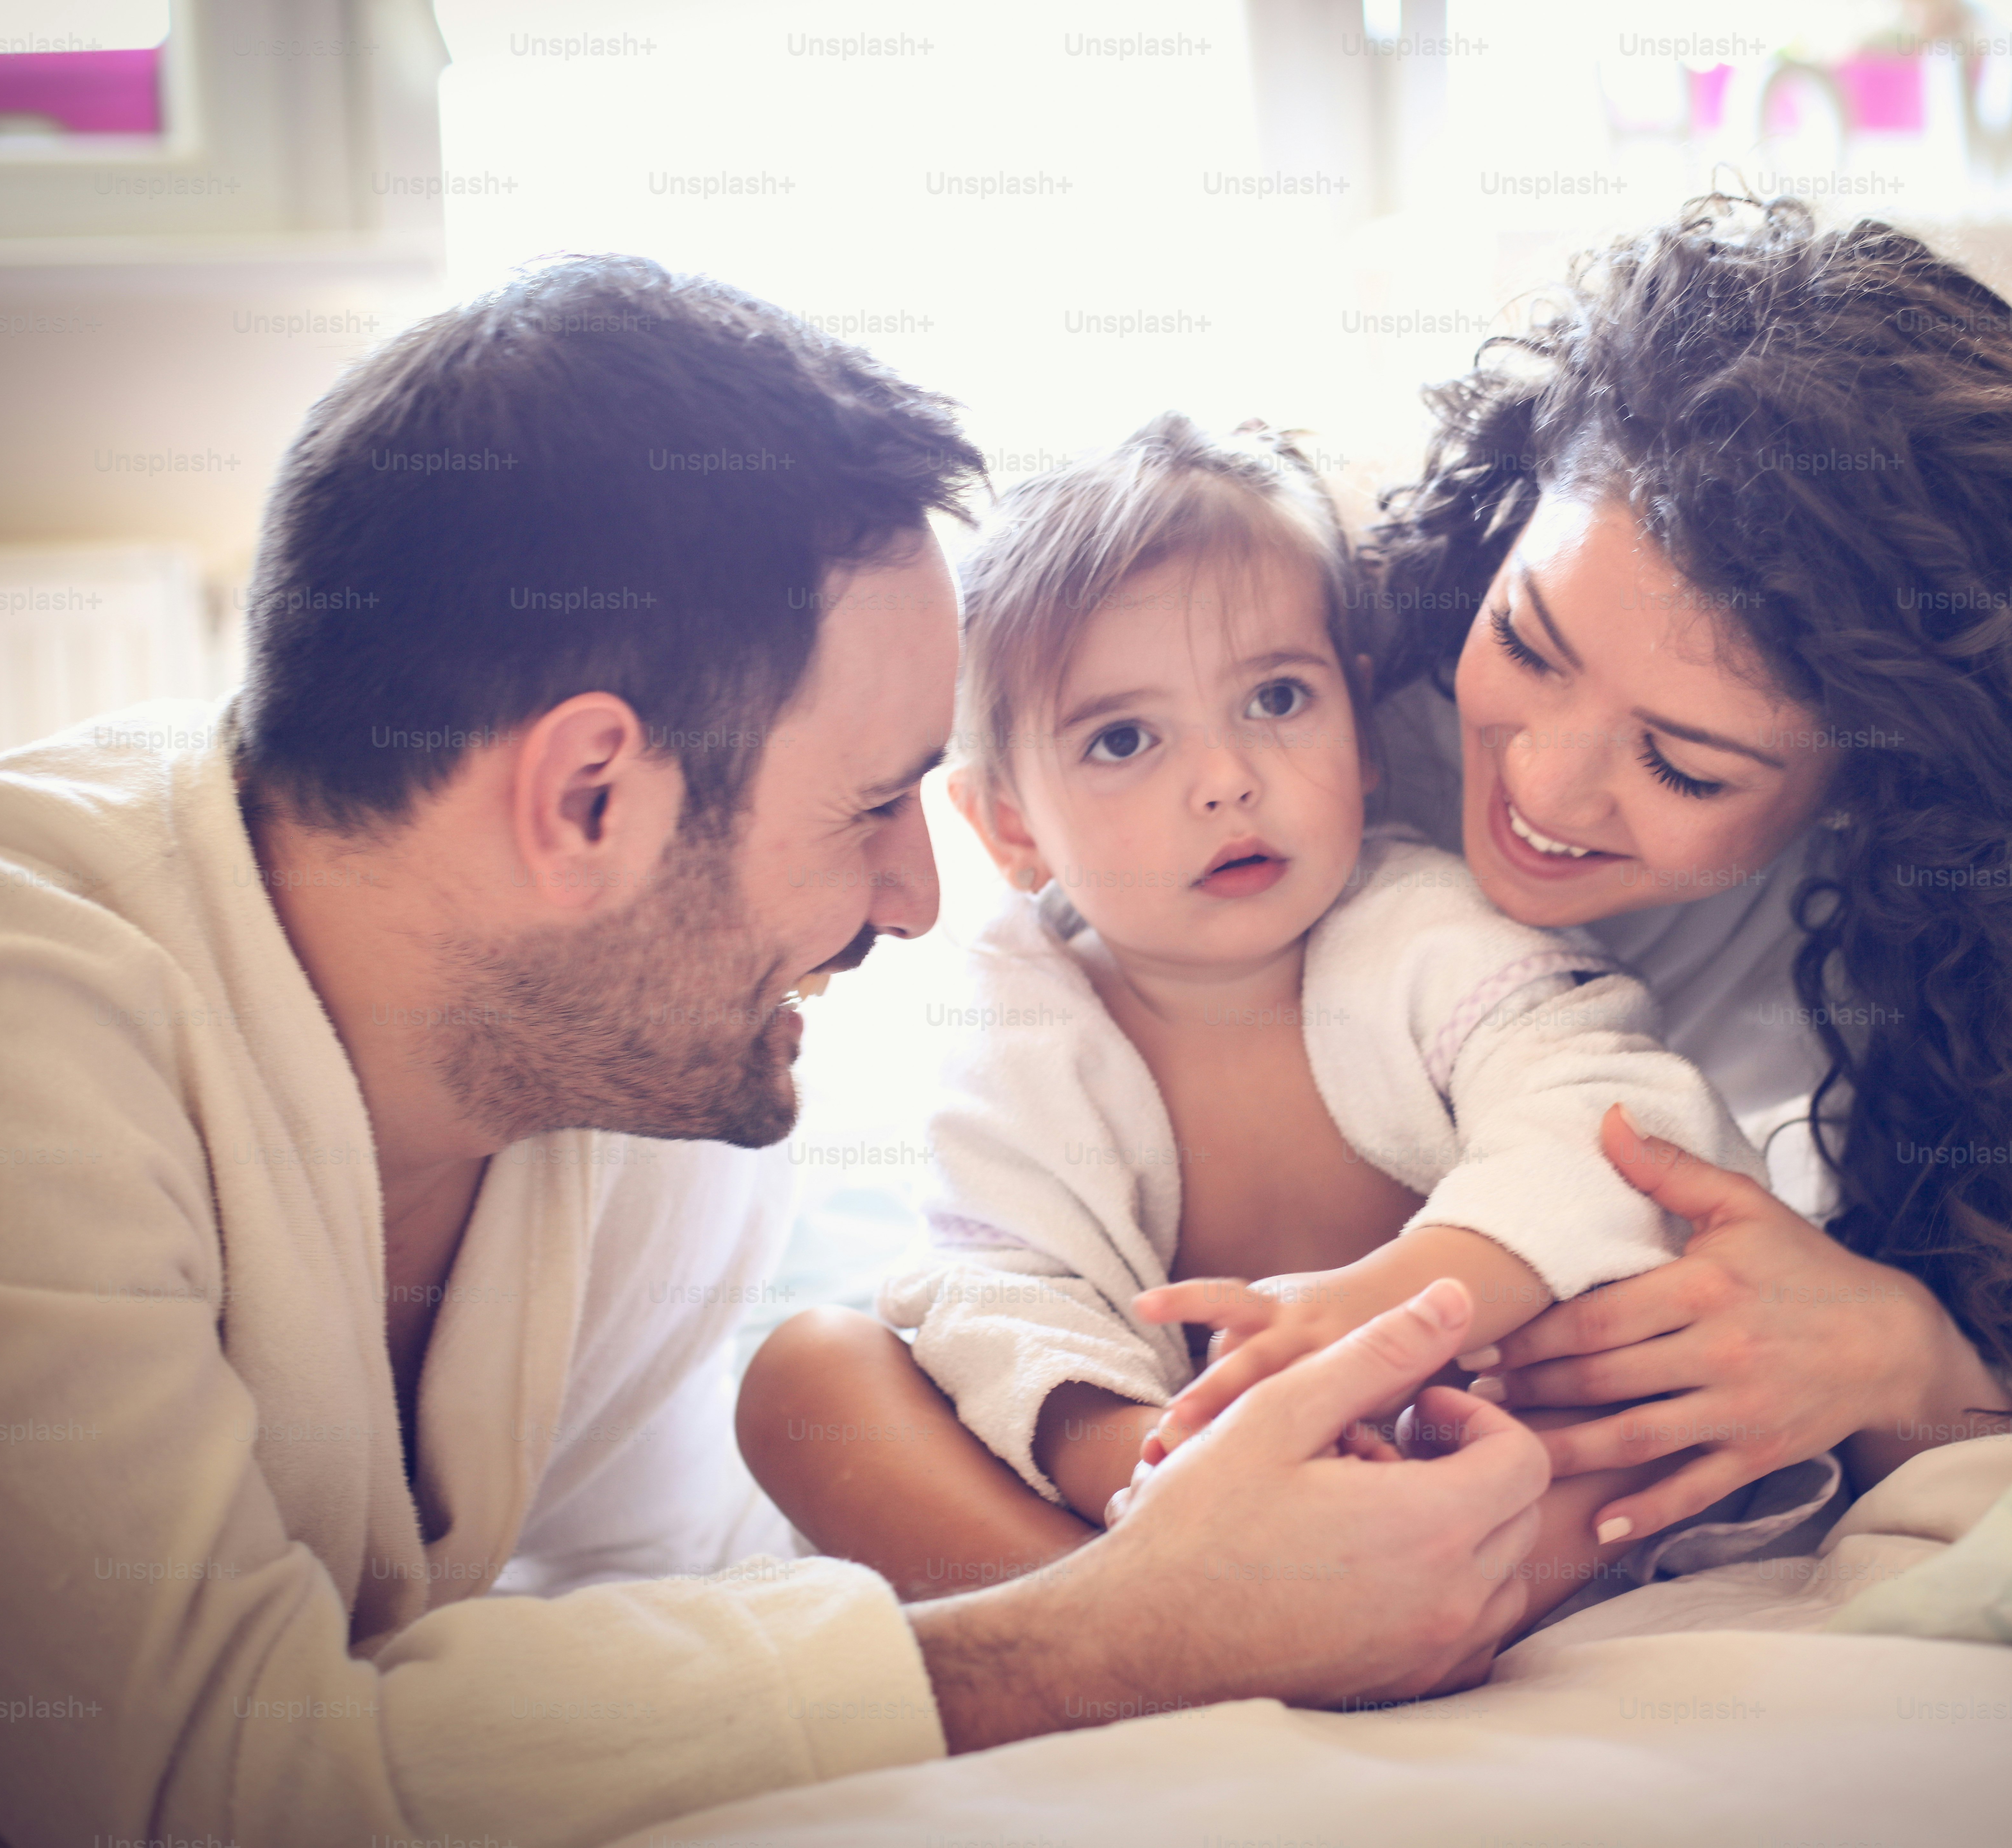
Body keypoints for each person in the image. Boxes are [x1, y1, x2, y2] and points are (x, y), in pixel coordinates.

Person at [0, 260, 1548, 1848]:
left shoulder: (645, 1094)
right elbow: (207, 1793)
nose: (917, 899)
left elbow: (652, 1646)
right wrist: (1130, 1632)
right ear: (587, 799)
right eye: (871, 806)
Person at [1355, 193, 2012, 1546]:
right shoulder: (1290, 717)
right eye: (1524, 640)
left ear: (1874, 788)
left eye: (1684, 765)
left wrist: (1896, 1357)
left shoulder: (1933, 943)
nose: (1541, 786)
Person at [736, 413, 1790, 1625]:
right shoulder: (1021, 1028)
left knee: (1648, 1353)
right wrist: (1151, 1454)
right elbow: (1007, 1290)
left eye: (1276, 699)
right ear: (1011, 827)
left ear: (1361, 728)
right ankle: (1141, 1615)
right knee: (812, 1377)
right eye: (1123, 740)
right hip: (1176, 1484)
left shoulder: (1430, 936)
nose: (1226, 779)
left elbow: (1622, 1124)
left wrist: (1384, 1301)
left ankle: (1422, 1598)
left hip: (1471, 1451)